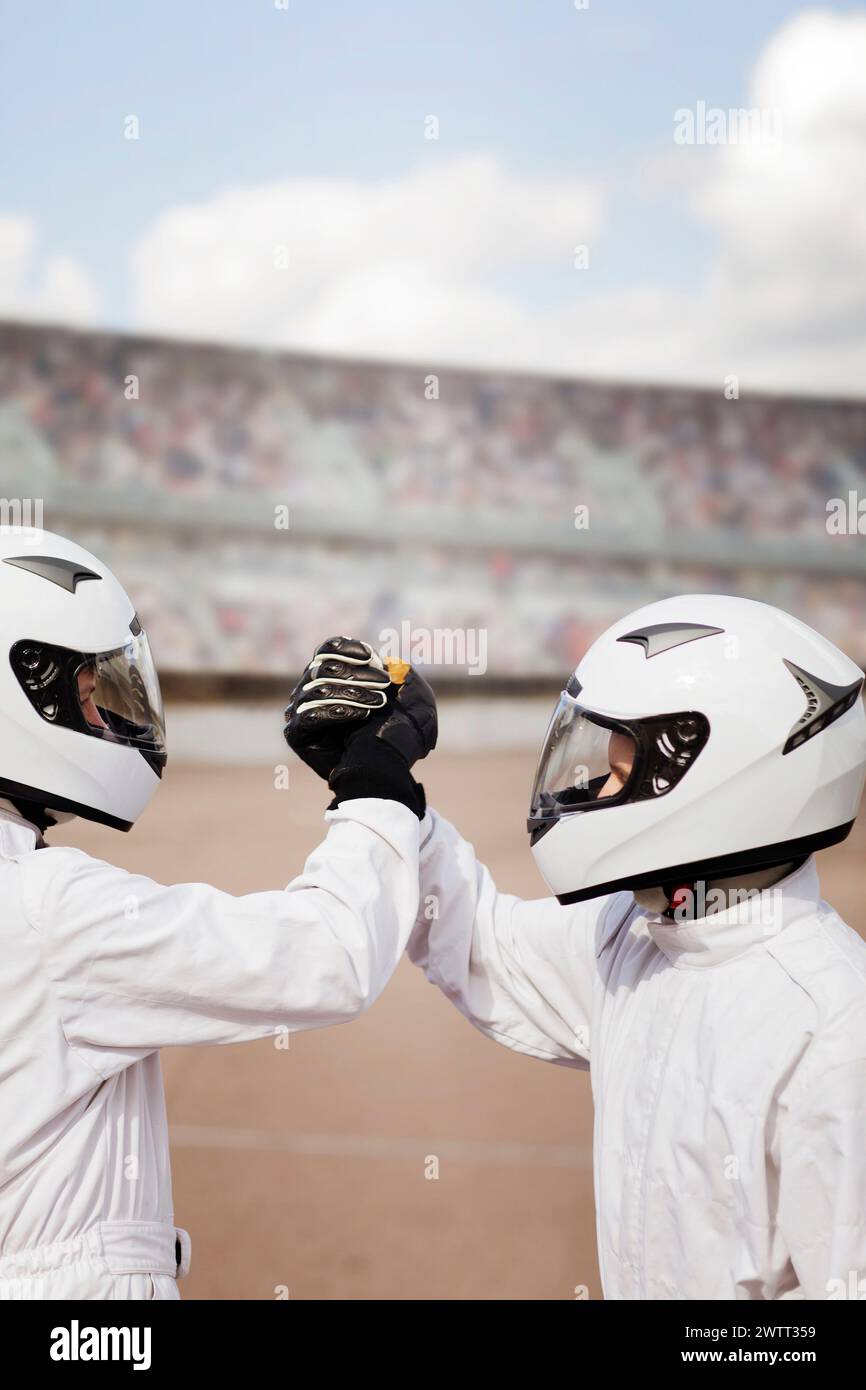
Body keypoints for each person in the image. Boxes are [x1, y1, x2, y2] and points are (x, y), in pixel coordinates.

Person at [297, 596, 866, 1300]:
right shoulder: (642, 937)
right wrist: (378, 784)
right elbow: (481, 941)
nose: (594, 784)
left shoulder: (834, 1027)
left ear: (716, 771)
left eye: (620, 766)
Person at [0, 527, 436, 1300]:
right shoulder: (49, 910)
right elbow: (326, 957)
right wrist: (375, 786)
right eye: (86, 690)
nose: (103, 711)